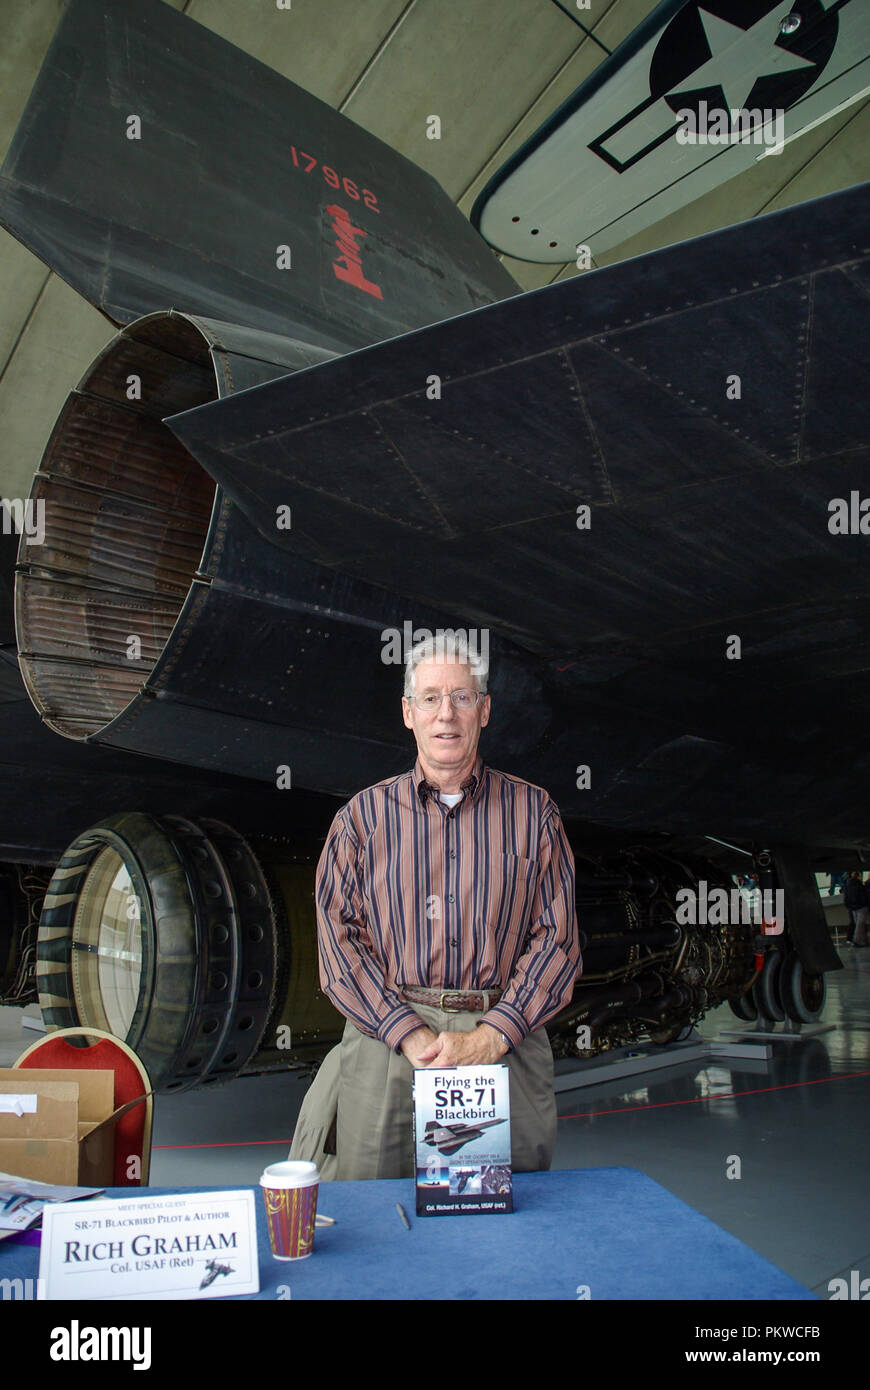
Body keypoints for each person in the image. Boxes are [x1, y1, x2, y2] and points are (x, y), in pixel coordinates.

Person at [289, 634, 581, 1179]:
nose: (446, 714)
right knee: (373, 1216)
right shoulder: (361, 819)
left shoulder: (534, 813)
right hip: (389, 1041)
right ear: (408, 712)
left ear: (485, 710)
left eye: (462, 697)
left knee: (504, 1222)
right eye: (430, 698)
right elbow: (338, 942)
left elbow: (557, 941)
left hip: (504, 1040)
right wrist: (408, 1032)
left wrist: (492, 1035)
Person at [843, 871, 868, 947]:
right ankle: (858, 940)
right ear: (858, 876)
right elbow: (863, 896)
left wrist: (849, 906)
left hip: (853, 908)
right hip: (861, 907)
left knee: (856, 923)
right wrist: (865, 904)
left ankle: (860, 940)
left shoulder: (848, 885)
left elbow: (846, 898)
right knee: (860, 925)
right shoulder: (859, 885)